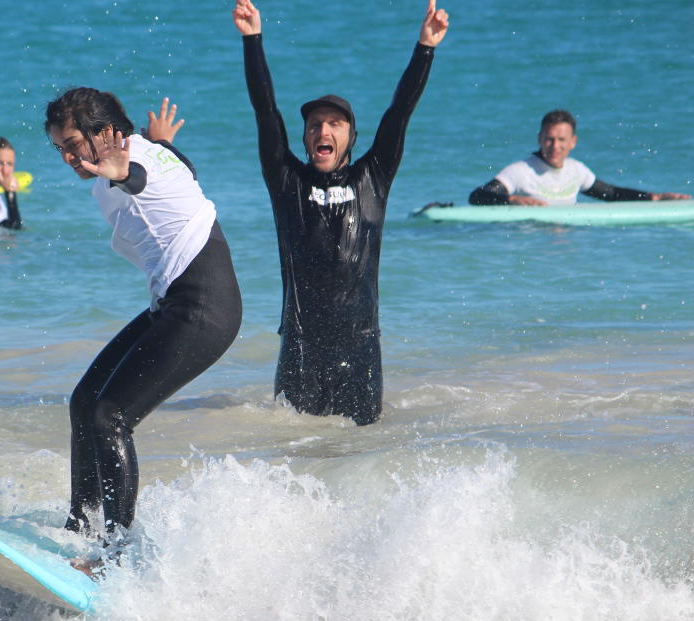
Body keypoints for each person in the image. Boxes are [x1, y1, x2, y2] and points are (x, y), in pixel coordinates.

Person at [44, 91, 242, 574]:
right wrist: (161, 143)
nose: (68, 158)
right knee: (85, 401)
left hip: (202, 306)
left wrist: (121, 171)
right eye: (59, 150)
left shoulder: (129, 164)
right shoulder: (154, 151)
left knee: (110, 416)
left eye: (72, 144)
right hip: (180, 301)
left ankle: (117, 557)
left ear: (104, 132)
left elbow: (137, 177)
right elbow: (180, 169)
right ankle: (80, 530)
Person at [234, 0, 449, 426]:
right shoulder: (286, 181)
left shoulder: (374, 177)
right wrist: (252, 39)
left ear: (351, 136)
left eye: (334, 123)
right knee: (295, 445)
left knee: (364, 447)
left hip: (361, 344)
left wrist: (425, 47)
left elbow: (399, 113)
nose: (323, 131)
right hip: (299, 344)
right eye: (315, 124)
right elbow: (265, 112)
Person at [468, 110, 691, 206]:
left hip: (566, 247)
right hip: (529, 244)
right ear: (539, 138)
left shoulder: (576, 171)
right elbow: (478, 196)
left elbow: (612, 194)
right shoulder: (521, 170)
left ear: (573, 142)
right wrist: (511, 200)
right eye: (549, 139)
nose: (555, 146)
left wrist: (654, 198)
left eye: (561, 140)